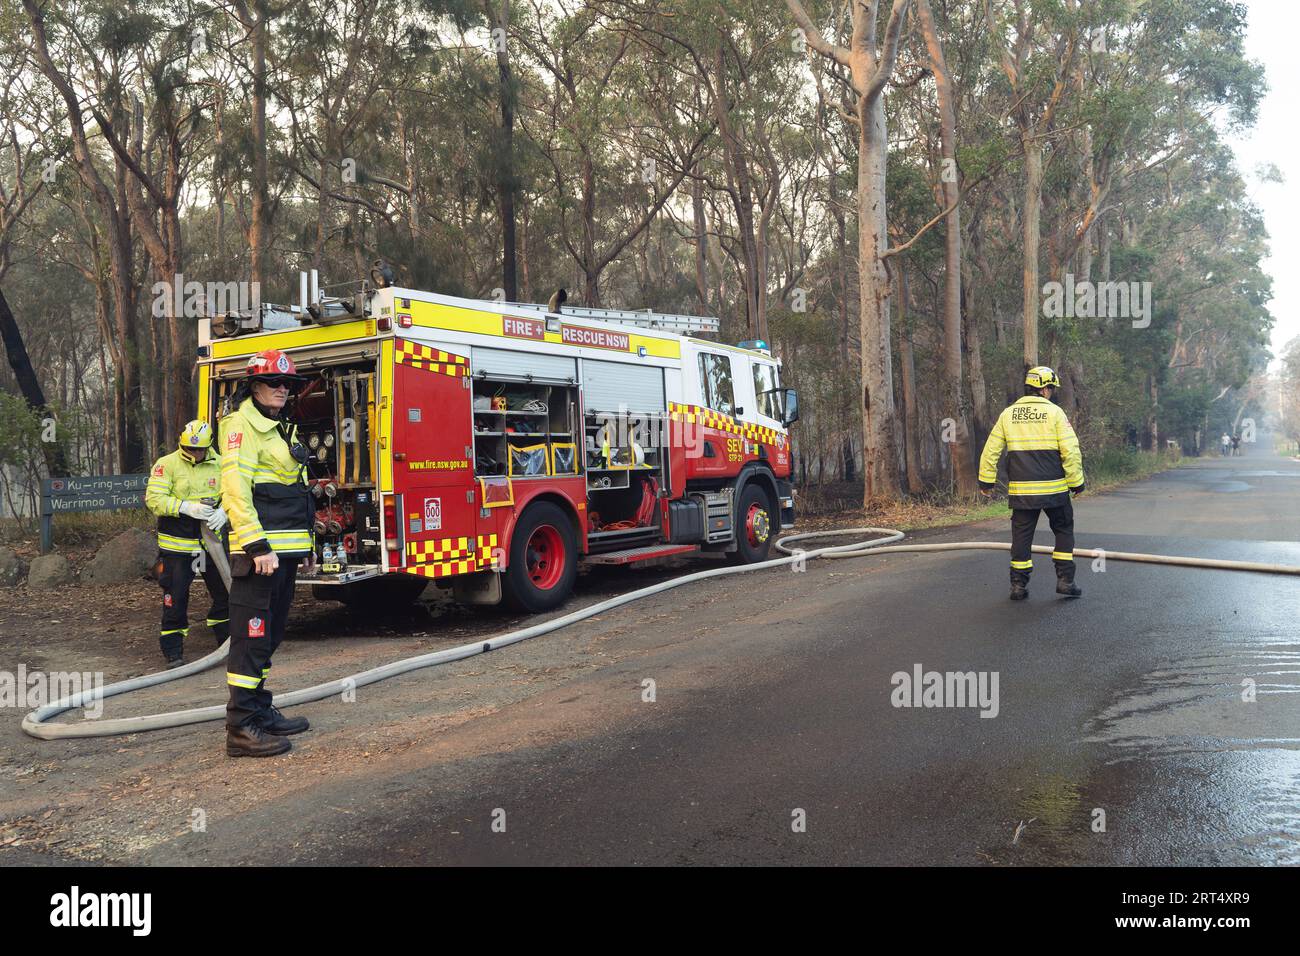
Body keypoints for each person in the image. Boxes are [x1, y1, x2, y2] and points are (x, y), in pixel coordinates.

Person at [220, 349, 315, 757]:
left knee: (271, 635)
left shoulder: (281, 428)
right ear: (254, 386)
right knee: (250, 639)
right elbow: (236, 490)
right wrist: (256, 544)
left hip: (286, 553)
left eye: (287, 384)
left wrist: (306, 546)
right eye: (273, 382)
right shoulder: (240, 426)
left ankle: (259, 710)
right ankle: (241, 728)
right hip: (259, 554)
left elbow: (297, 492)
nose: (281, 389)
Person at [978, 366, 1085, 601]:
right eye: (1051, 389)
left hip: (1022, 491)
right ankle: (1066, 581)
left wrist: (986, 481)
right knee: (1063, 530)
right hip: (1054, 489)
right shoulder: (1055, 413)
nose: (1051, 393)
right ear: (1045, 389)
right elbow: (1071, 450)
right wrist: (1076, 482)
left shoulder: (1008, 415)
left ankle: (1018, 586)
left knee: (1022, 537)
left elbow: (991, 450)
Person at [144, 420, 230, 668]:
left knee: (224, 593)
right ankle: (173, 651)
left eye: (199, 450)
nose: (195, 454)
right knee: (176, 596)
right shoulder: (167, 464)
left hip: (211, 544)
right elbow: (155, 499)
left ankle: (226, 644)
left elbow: (237, 492)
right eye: (189, 449)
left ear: (209, 446)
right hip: (178, 547)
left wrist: (224, 510)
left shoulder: (222, 464)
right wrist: (186, 507)